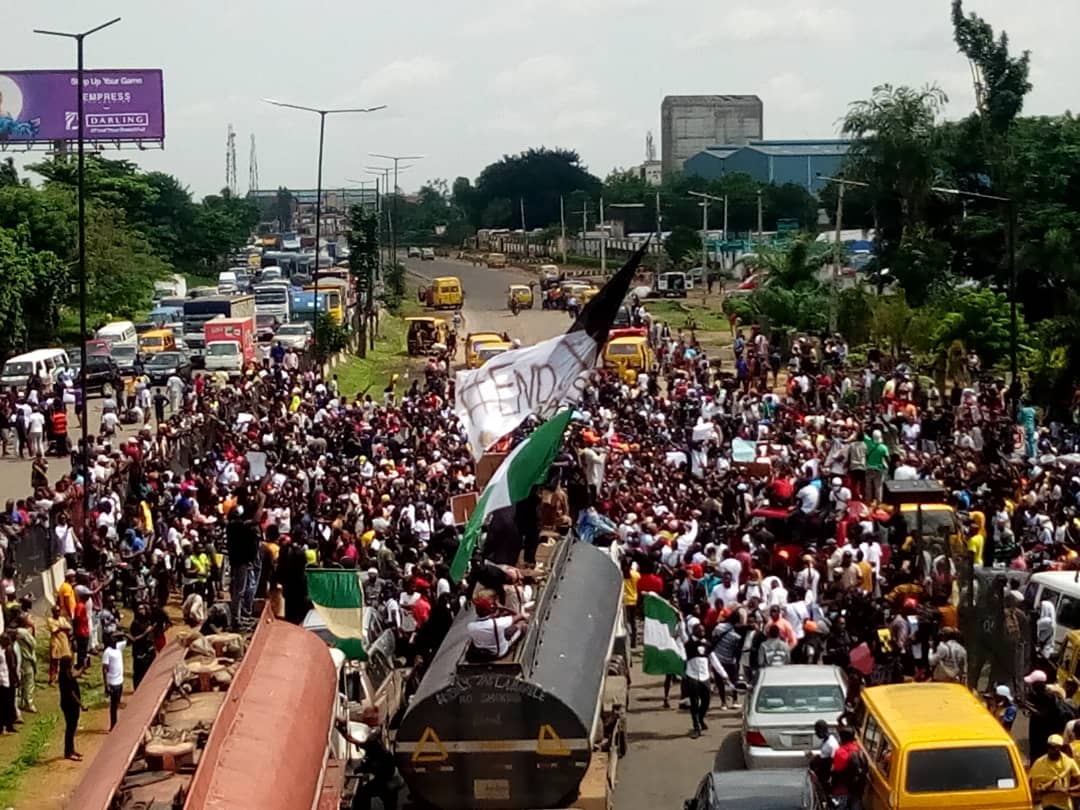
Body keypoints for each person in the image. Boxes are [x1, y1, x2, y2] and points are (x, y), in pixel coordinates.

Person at [1029, 733, 1080, 810]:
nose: (1051, 750)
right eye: (1049, 747)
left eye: (1054, 747)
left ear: (1060, 748)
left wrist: (1067, 790)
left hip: (1065, 806)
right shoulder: (1039, 763)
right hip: (1046, 806)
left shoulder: (1069, 762)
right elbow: (1031, 787)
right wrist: (1046, 789)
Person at [684, 624, 713, 738]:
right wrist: (680, 620)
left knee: (706, 701)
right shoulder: (689, 643)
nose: (702, 632)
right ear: (694, 631)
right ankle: (696, 727)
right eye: (699, 630)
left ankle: (700, 719)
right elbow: (682, 633)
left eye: (703, 630)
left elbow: (713, 659)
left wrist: (724, 675)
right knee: (694, 703)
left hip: (705, 677)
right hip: (692, 676)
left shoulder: (707, 644)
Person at [830, 725, 867, 809]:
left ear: (842, 738)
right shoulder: (858, 748)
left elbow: (836, 771)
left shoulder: (841, 752)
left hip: (844, 789)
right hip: (858, 787)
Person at [58, 655, 86, 760]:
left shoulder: (66, 673)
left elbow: (74, 675)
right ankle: (68, 752)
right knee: (70, 728)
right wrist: (81, 704)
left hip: (70, 704)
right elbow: (72, 694)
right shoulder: (65, 676)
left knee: (72, 728)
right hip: (69, 705)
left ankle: (71, 750)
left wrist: (83, 668)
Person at [101, 631, 127, 730]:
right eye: (113, 637)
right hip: (112, 682)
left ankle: (116, 723)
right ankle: (113, 725)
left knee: (117, 703)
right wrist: (106, 685)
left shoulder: (119, 646)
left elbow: (132, 640)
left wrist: (123, 634)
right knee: (113, 705)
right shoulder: (107, 652)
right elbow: (104, 669)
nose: (115, 639)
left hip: (120, 681)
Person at [47, 603, 72, 685]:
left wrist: (60, 627)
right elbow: (54, 630)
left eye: (58, 611)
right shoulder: (50, 620)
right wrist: (61, 627)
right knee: (54, 662)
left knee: (65, 660)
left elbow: (68, 627)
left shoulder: (62, 619)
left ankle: (63, 677)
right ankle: (52, 679)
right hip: (56, 642)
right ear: (53, 612)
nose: (58, 613)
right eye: (56, 611)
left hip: (64, 641)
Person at [0, 633, 17, 733]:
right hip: (2, 681)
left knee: (10, 703)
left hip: (8, 680)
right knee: (2, 704)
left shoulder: (8, 649)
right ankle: (2, 727)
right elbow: (12, 666)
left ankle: (9, 725)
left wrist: (15, 679)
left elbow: (12, 665)